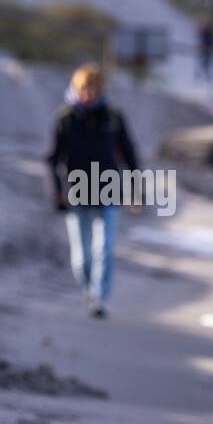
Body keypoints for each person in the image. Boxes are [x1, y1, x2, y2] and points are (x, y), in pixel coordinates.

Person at [46, 63, 140, 318]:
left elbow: (130, 157)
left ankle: (100, 298)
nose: (89, 93)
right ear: (76, 88)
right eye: (84, 88)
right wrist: (57, 190)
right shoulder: (66, 118)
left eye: (94, 87)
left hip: (108, 190)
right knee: (82, 257)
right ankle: (89, 287)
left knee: (105, 249)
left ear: (102, 89)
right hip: (76, 192)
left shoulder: (113, 117)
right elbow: (54, 159)